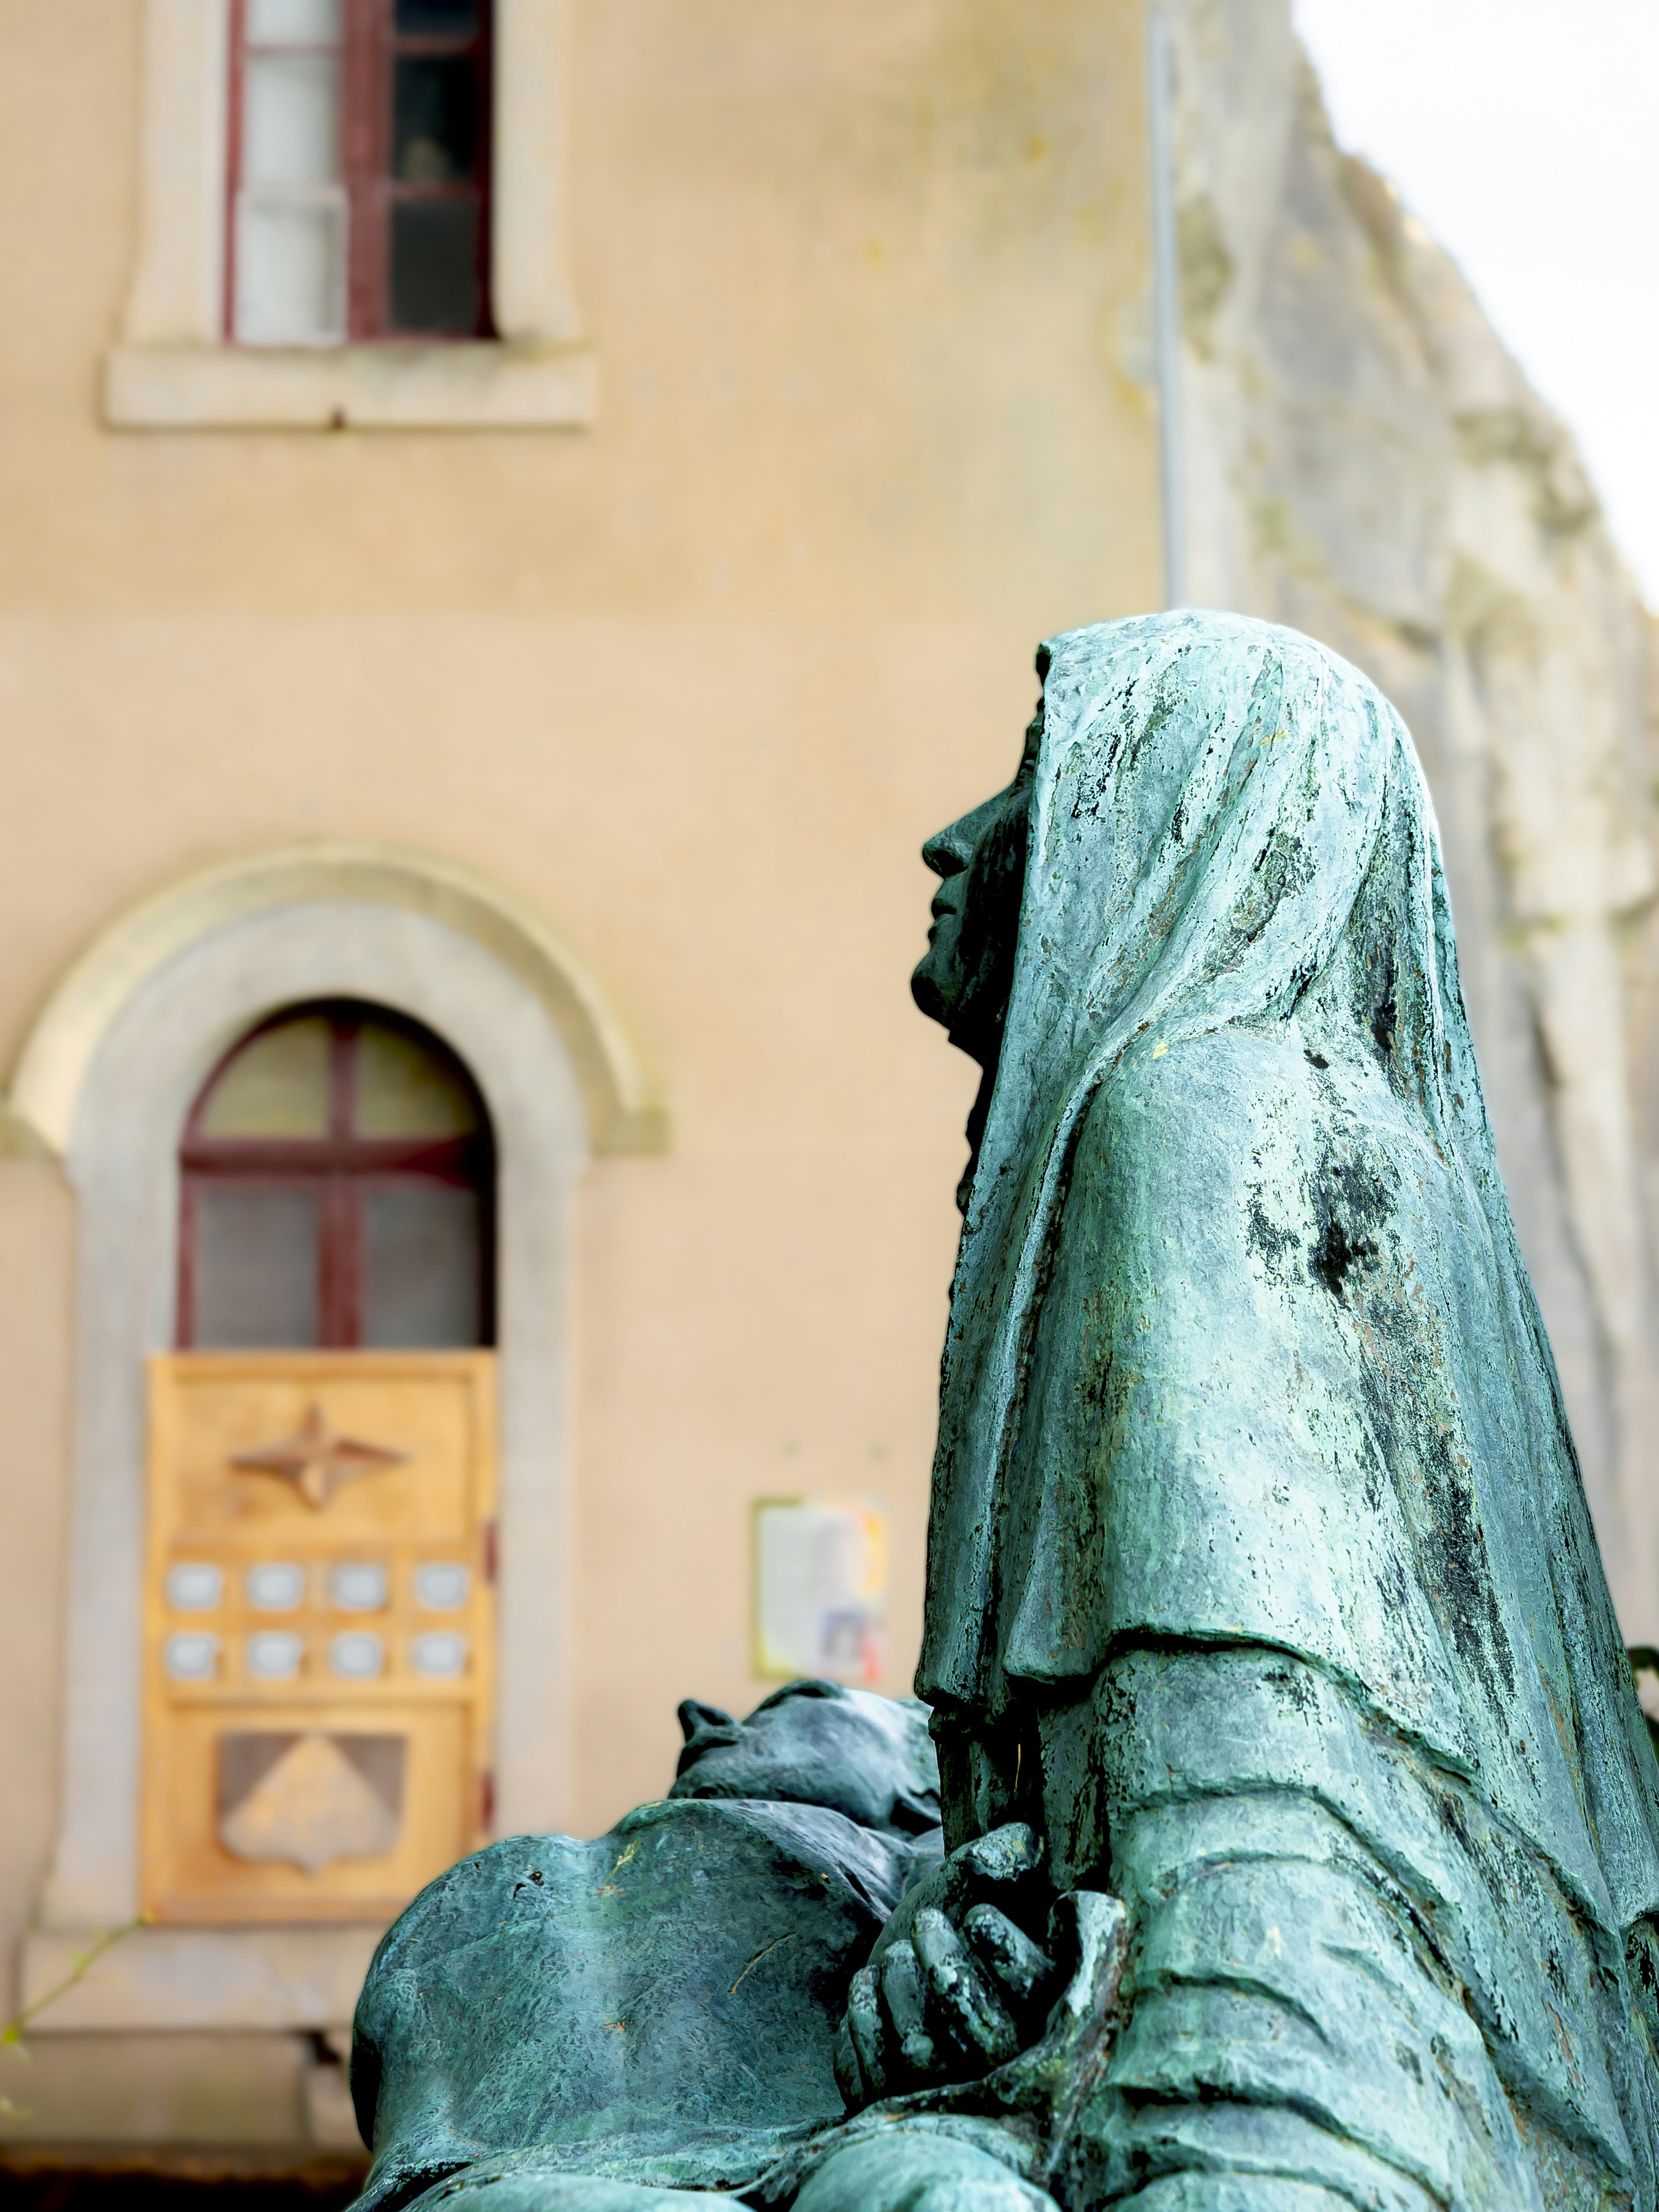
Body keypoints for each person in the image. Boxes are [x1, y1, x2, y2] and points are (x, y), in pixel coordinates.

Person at [885, 608, 1659, 2209]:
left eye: (1047, 784)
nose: (949, 842)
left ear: (1184, 825)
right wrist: (955, 1942)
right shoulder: (1293, 1116)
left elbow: (1260, 1849)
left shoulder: (1199, 1118)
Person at [347, 1679, 1054, 2212]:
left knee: (958, 2195)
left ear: (926, 1779)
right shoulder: (513, 1876)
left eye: (797, 1700)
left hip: (855, 2145)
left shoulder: (948, 1867)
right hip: (521, 2174)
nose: (701, 1718)